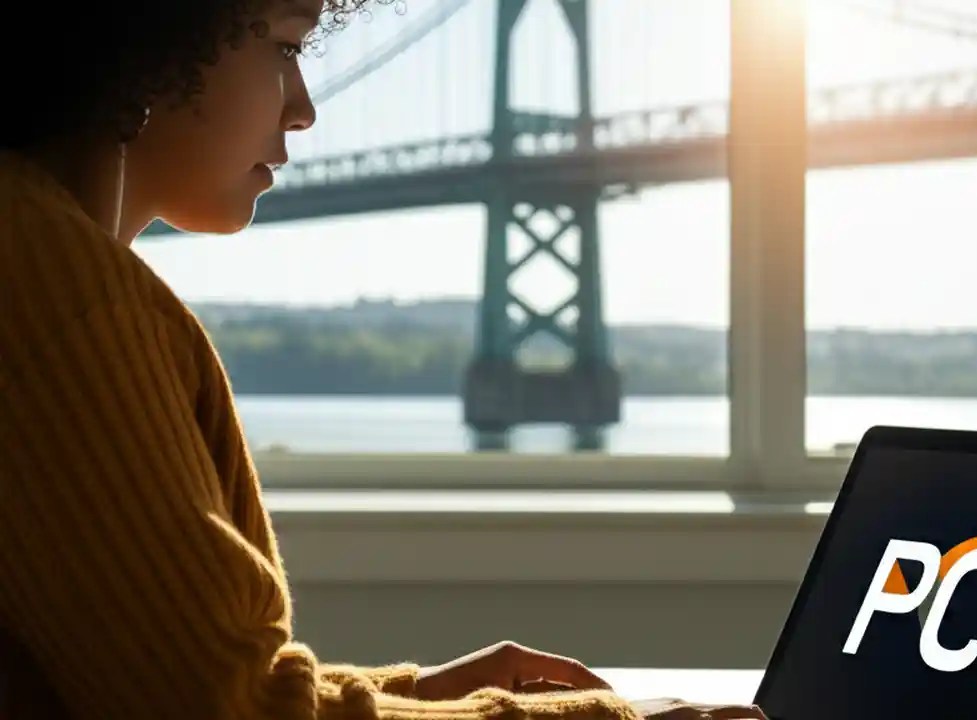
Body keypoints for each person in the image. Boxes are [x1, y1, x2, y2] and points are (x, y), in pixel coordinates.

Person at [0, 1, 767, 718]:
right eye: (284, 47)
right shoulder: (56, 293)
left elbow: (157, 685)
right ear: (147, 39)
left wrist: (415, 696)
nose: (302, 107)